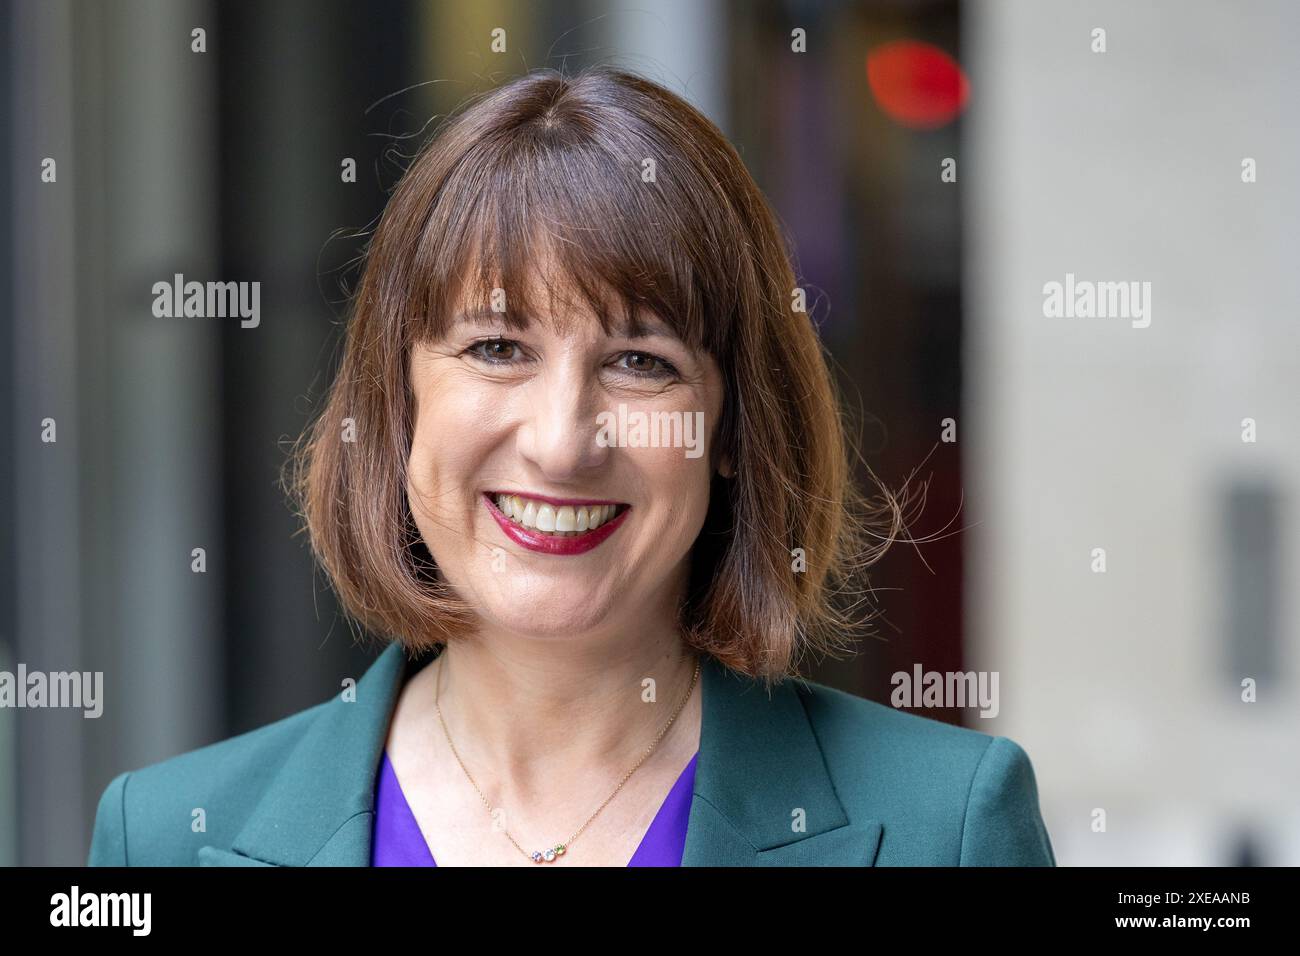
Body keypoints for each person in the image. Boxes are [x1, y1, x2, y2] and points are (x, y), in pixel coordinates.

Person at [88, 66, 1054, 867]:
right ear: (399, 401)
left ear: (730, 433)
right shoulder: (165, 838)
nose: (560, 442)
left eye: (642, 363)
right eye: (497, 347)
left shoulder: (948, 828)